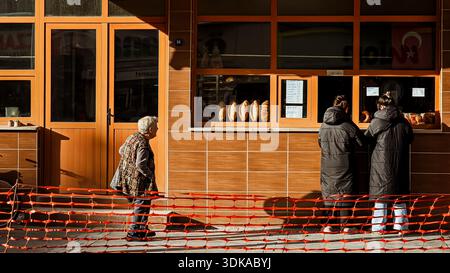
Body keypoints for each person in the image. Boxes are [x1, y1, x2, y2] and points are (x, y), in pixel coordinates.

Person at [365, 93, 413, 234]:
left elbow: (367, 138)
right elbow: (410, 137)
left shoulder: (377, 121)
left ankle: (379, 227)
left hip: (381, 164)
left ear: (380, 106)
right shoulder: (403, 121)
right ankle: (401, 226)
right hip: (400, 162)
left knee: (381, 196)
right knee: (399, 194)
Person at [318, 95, 364, 233]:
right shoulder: (347, 125)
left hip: (327, 165)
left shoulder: (323, 125)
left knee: (328, 193)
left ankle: (328, 225)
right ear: (346, 108)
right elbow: (361, 142)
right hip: (345, 164)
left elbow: (320, 143)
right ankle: (347, 226)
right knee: (345, 193)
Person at [110, 116, 159, 241]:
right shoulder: (142, 143)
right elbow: (140, 164)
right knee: (141, 203)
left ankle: (142, 228)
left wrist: (129, 161)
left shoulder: (132, 137)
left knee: (145, 202)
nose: (157, 128)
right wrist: (150, 175)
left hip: (130, 177)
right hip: (139, 179)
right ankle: (134, 231)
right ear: (149, 130)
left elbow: (122, 150)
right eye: (155, 127)